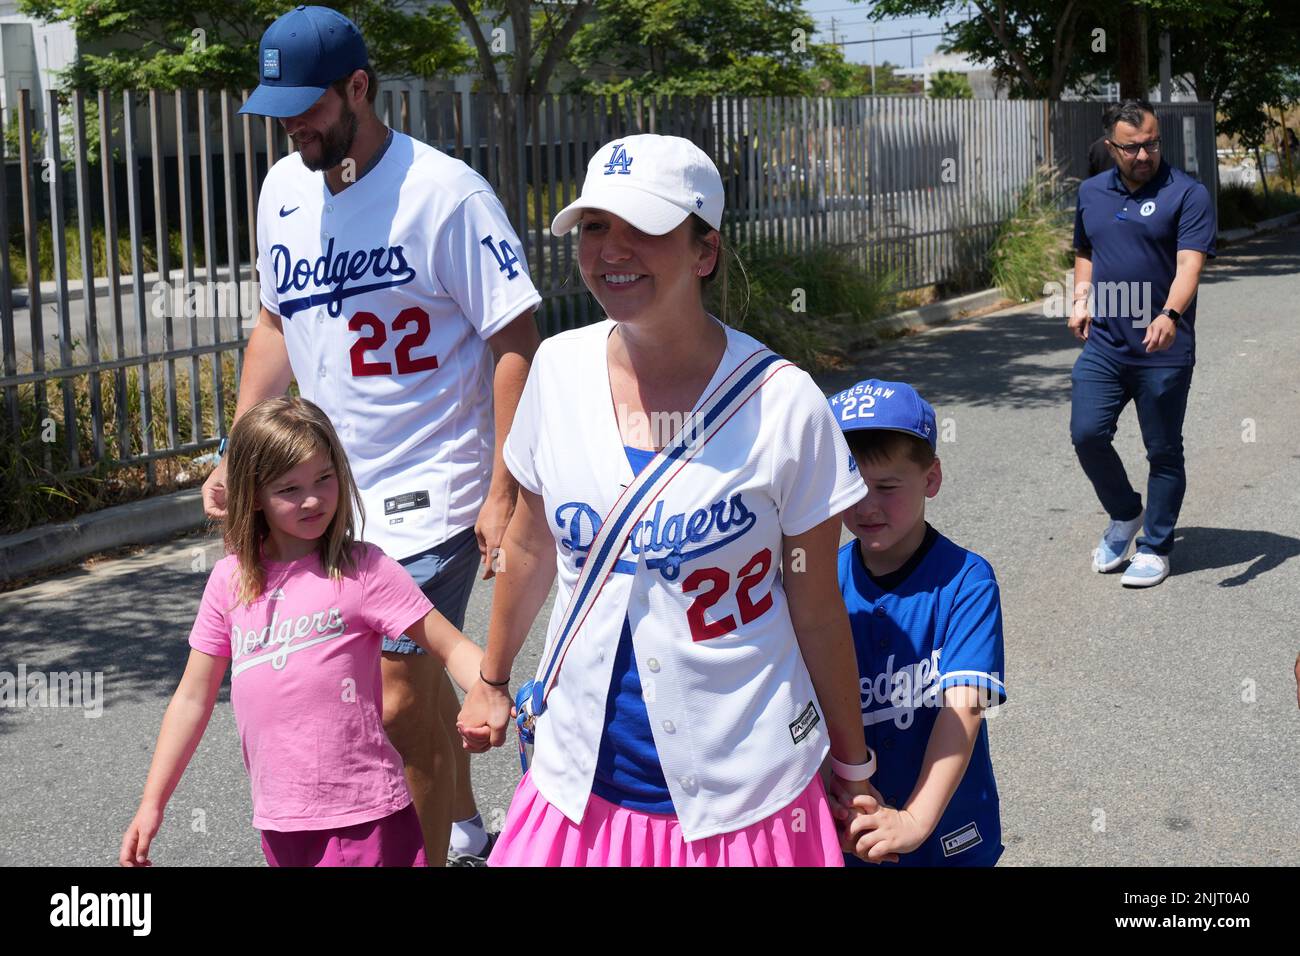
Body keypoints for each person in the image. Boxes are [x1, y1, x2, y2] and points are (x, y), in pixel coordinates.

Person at [455, 134, 878, 866]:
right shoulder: (554, 370)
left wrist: (854, 769)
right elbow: (529, 544)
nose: (611, 251)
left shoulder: (786, 405)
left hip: (747, 796)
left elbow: (814, 602)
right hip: (577, 789)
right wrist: (492, 680)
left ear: (704, 251)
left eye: (643, 228)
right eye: (594, 227)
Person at [204, 5, 543, 864]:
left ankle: (433, 850)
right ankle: (463, 826)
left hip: (436, 491)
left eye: (307, 106)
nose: (292, 125)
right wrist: (236, 450)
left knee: (392, 698)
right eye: (277, 108)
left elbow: (514, 338)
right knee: (388, 695)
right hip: (327, 496)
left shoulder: (446, 193)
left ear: (360, 87)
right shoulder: (283, 190)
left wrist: (504, 491)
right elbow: (274, 326)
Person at [120, 397, 487, 867]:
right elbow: (192, 698)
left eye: (324, 479)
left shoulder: (364, 569)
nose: (312, 499)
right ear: (252, 495)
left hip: (369, 819)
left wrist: (488, 688)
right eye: (289, 489)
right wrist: (152, 803)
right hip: (281, 824)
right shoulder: (229, 583)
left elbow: (451, 646)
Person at [827, 380, 1006, 866]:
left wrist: (915, 819)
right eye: (851, 487)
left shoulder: (967, 580)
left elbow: (964, 708)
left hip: (949, 829)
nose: (866, 506)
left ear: (931, 478)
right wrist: (839, 789)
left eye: (886, 487)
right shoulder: (819, 585)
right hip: (852, 825)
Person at [1069, 99, 1216, 588]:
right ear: (1112, 146)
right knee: (1087, 433)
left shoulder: (1187, 193)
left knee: (1163, 450)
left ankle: (1156, 546)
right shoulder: (1091, 192)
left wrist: (1170, 314)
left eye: (1152, 143)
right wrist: (1081, 298)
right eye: (1132, 147)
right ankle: (1126, 513)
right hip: (1107, 344)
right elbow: (1085, 251)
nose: (1144, 154)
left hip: (1163, 349)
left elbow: (1190, 263)